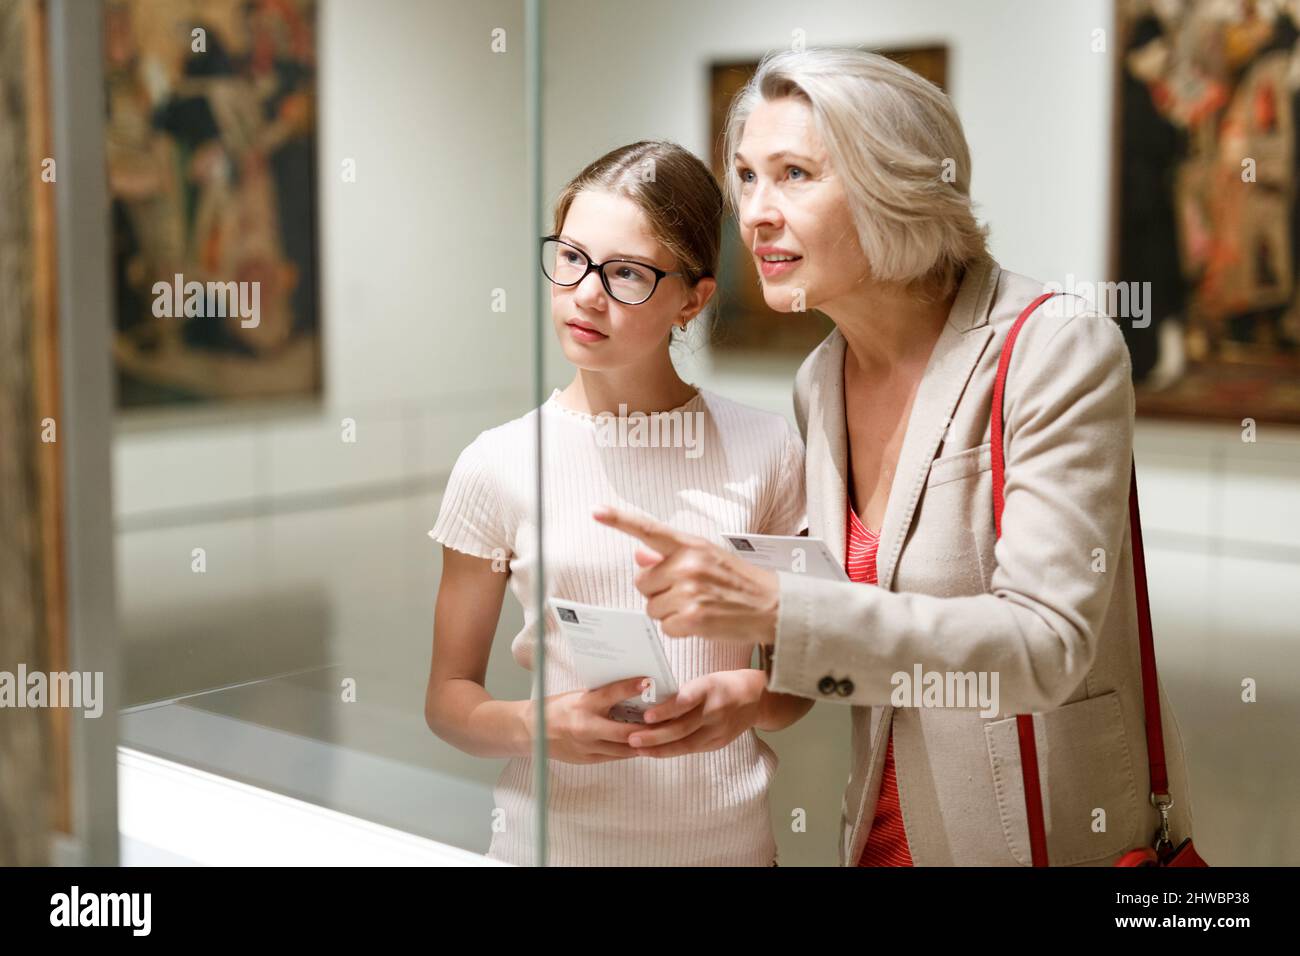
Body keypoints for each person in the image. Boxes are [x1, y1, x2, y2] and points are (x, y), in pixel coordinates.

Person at [595, 48, 1196, 866]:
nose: (757, 214)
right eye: (746, 177)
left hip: (1038, 835)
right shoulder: (821, 379)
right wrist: (748, 692)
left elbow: (1044, 644)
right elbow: (859, 634)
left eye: (795, 174)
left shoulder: (1055, 347)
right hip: (881, 833)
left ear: (898, 182)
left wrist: (776, 606)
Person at [424, 140, 813, 866]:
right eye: (570, 258)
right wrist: (539, 727)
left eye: (626, 273)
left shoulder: (769, 452)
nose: (587, 293)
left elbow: (803, 682)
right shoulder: (497, 463)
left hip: (727, 849)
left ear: (692, 300)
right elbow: (449, 698)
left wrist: (751, 697)